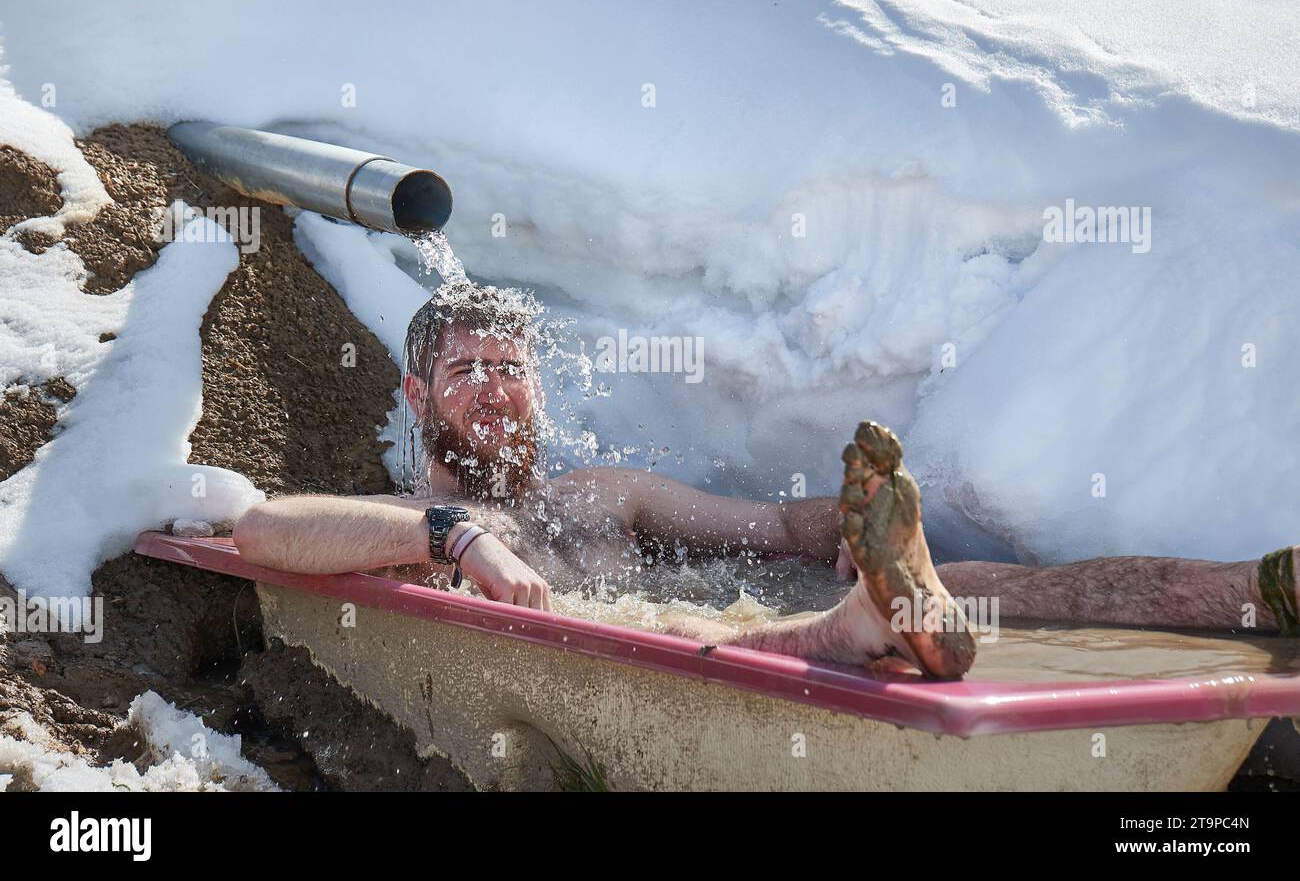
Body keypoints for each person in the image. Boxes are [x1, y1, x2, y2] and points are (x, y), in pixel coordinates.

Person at [233, 285, 1298, 679]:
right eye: (465, 371)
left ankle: (1232, 587)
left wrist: (849, 521)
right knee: (716, 625)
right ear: (418, 395)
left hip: (732, 617)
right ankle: (855, 630)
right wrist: (454, 534)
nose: (494, 391)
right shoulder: (388, 518)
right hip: (652, 660)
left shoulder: (602, 493)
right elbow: (263, 530)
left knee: (967, 576)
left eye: (511, 369)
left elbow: (773, 526)